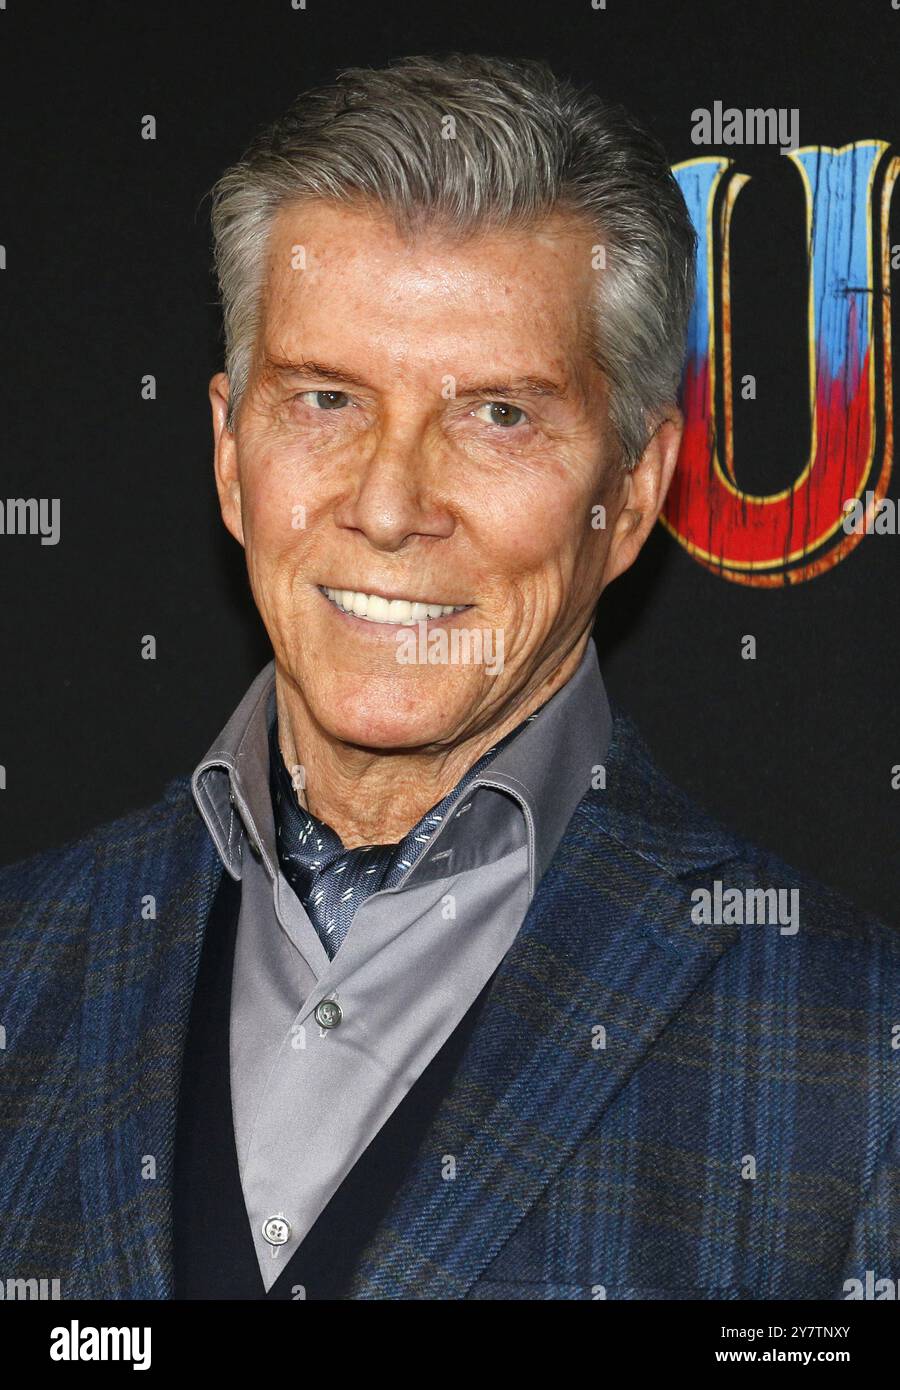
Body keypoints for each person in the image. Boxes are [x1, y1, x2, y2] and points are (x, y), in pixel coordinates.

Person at [0, 53, 896, 1301]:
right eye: (324, 398)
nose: (387, 504)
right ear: (226, 453)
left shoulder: (858, 1064)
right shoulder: (23, 958)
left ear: (631, 494)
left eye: (499, 417)